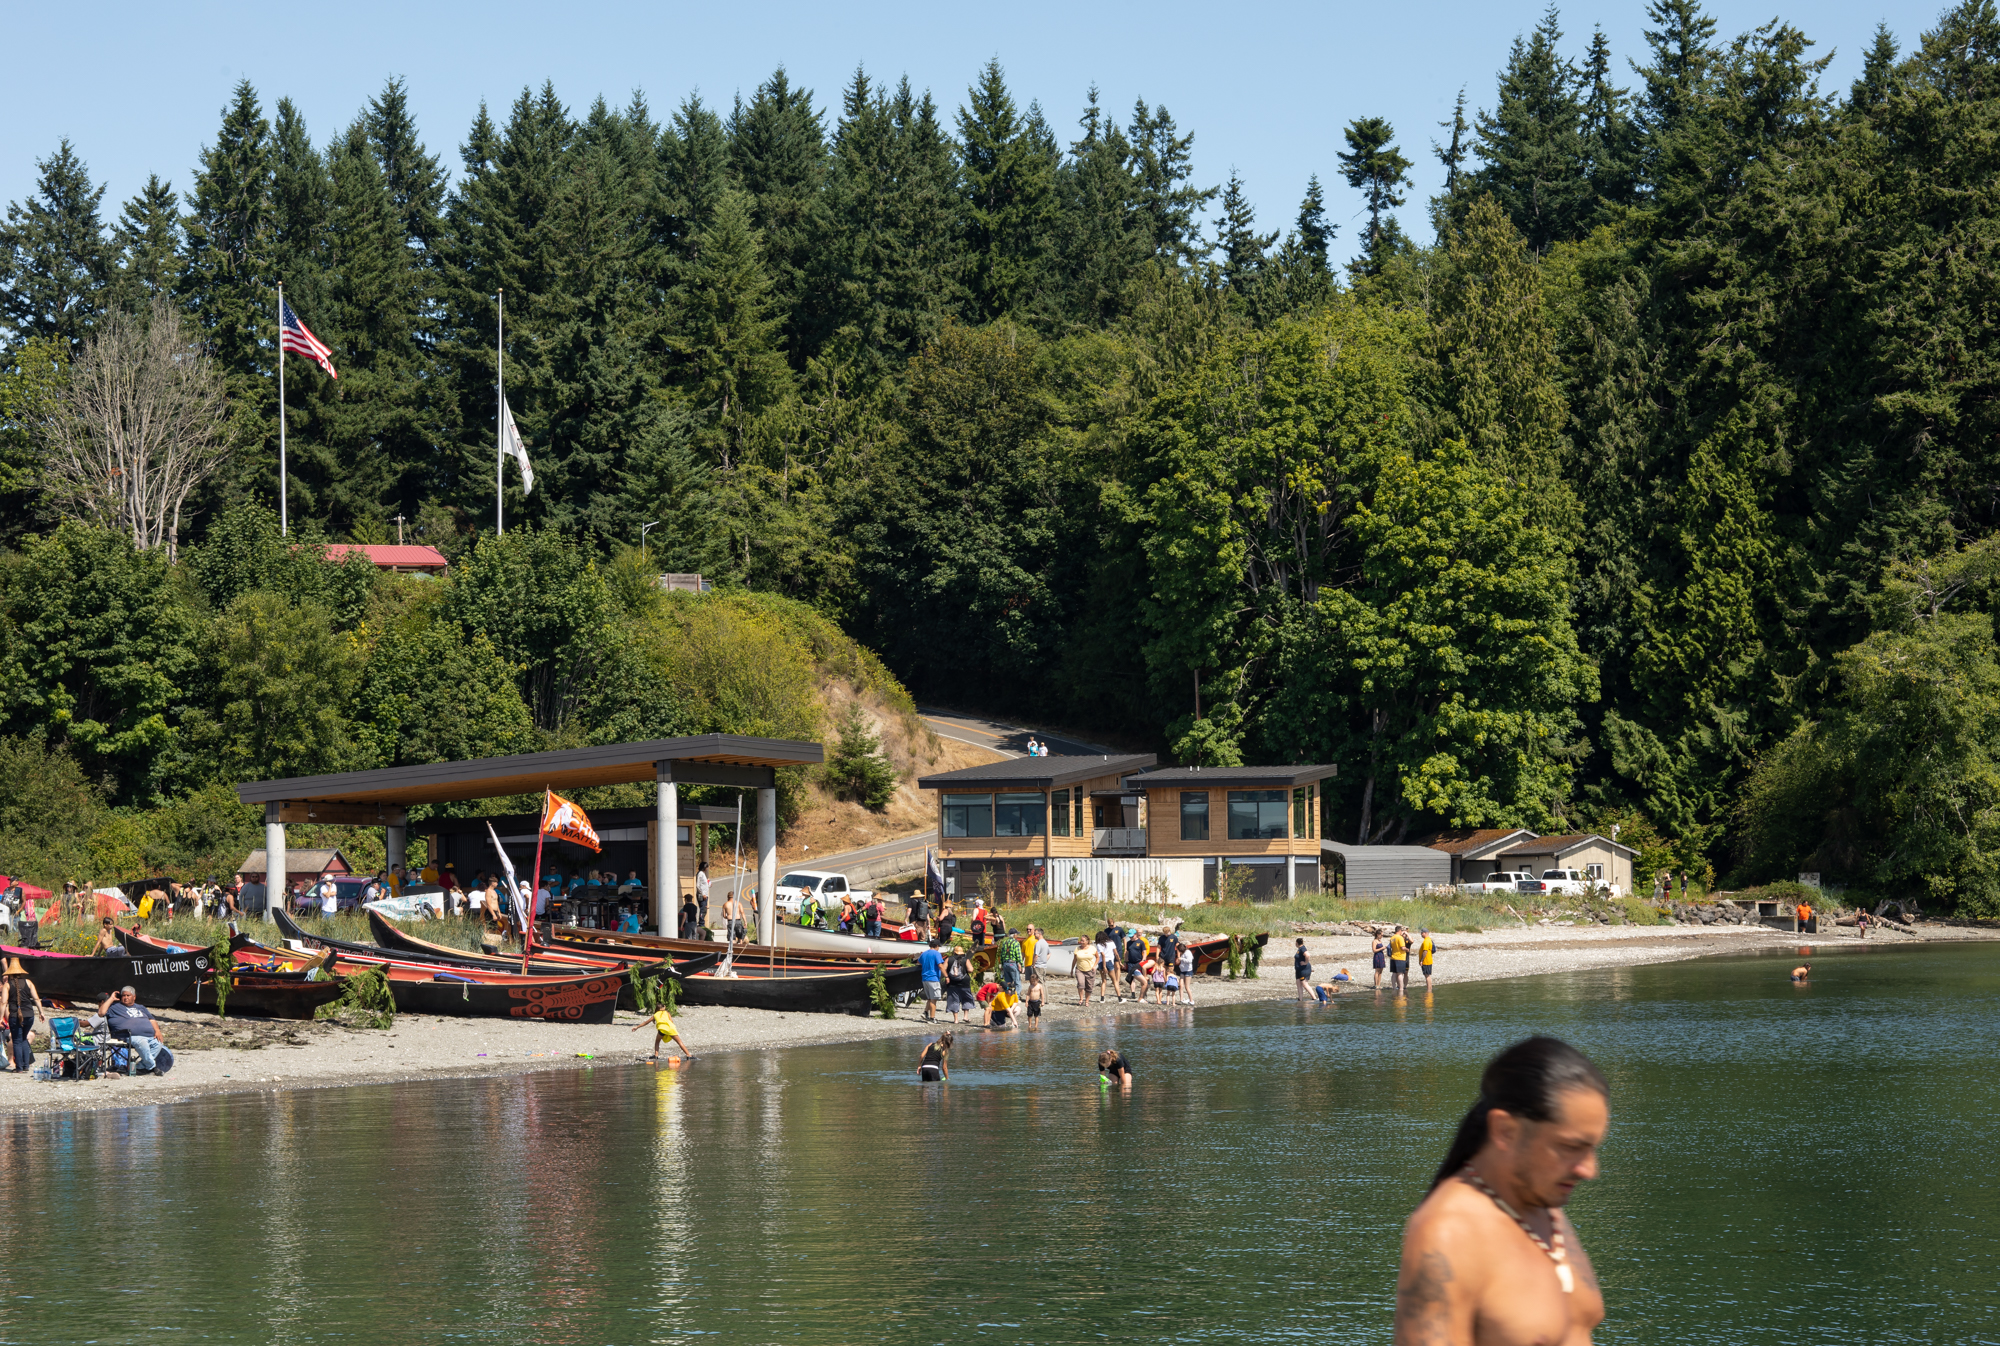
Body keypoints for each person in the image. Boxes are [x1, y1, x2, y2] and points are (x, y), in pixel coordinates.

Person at [1392, 1036, 1608, 1346]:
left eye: (1591, 1148)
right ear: (1505, 1131)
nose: (1589, 1170)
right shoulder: (1447, 1233)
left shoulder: (1541, 1201)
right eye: (1570, 1147)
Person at [97, 986, 173, 1075]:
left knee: (158, 1043)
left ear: (134, 997)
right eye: (123, 995)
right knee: (141, 1042)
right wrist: (112, 998)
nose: (125, 997)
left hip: (148, 1036)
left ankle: (141, 1067)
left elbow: (152, 1019)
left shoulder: (141, 1007)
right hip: (127, 1035)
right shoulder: (114, 1007)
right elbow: (101, 1013)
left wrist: (157, 1031)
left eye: (128, 995)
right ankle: (152, 1067)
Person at [2, 958, 44, 1072]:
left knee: (17, 1040)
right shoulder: (28, 982)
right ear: (21, 972)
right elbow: (36, 998)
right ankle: (26, 1066)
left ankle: (19, 1067)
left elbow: (4, 1003)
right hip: (29, 1015)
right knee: (24, 1039)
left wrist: (1, 1017)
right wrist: (41, 1012)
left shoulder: (7, 985)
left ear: (10, 974)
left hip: (15, 1016)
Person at [943, 942, 976, 1025]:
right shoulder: (966, 959)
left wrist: (947, 976)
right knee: (966, 998)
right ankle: (965, 1016)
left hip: (952, 983)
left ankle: (956, 1020)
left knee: (954, 1000)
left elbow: (943, 969)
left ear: (954, 952)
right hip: (964, 982)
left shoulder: (948, 959)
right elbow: (970, 970)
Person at [918, 938, 944, 1022]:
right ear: (936, 946)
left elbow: (919, 962)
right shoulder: (937, 954)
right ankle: (932, 1018)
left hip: (924, 978)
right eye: (938, 946)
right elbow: (940, 965)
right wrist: (946, 976)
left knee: (930, 997)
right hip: (933, 978)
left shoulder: (924, 954)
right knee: (934, 999)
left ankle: (925, 1012)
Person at [1074, 935, 1098, 1006]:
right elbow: (1074, 959)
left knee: (1089, 987)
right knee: (1081, 984)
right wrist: (1072, 968)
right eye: (1081, 940)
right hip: (1079, 969)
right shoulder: (1077, 948)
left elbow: (1097, 957)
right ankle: (1081, 999)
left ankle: (1087, 1001)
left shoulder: (1092, 948)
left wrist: (1094, 966)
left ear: (1087, 941)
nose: (1081, 942)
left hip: (1090, 970)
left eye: (1083, 941)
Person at [1389, 926, 1411, 995]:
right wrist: (1407, 949)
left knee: (1394, 973)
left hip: (1393, 957)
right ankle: (1401, 988)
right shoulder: (1400, 938)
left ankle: (1393, 987)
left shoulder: (1392, 938)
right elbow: (1402, 947)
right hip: (1400, 957)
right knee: (1400, 973)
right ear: (1399, 931)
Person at [1294, 937, 1314, 1002]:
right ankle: (1300, 999)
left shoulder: (1302, 948)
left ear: (1296, 943)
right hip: (1298, 970)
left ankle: (1314, 998)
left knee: (1304, 983)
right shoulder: (1299, 949)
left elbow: (1308, 955)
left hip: (1303, 970)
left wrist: (1306, 962)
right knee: (1298, 983)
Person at [694, 862, 710, 932]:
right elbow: (698, 885)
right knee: (702, 909)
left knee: (704, 909)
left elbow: (703, 884)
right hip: (702, 895)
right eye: (706, 867)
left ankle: (702, 922)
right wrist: (702, 893)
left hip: (705, 894)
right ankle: (701, 923)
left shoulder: (703, 874)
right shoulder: (700, 874)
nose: (707, 869)